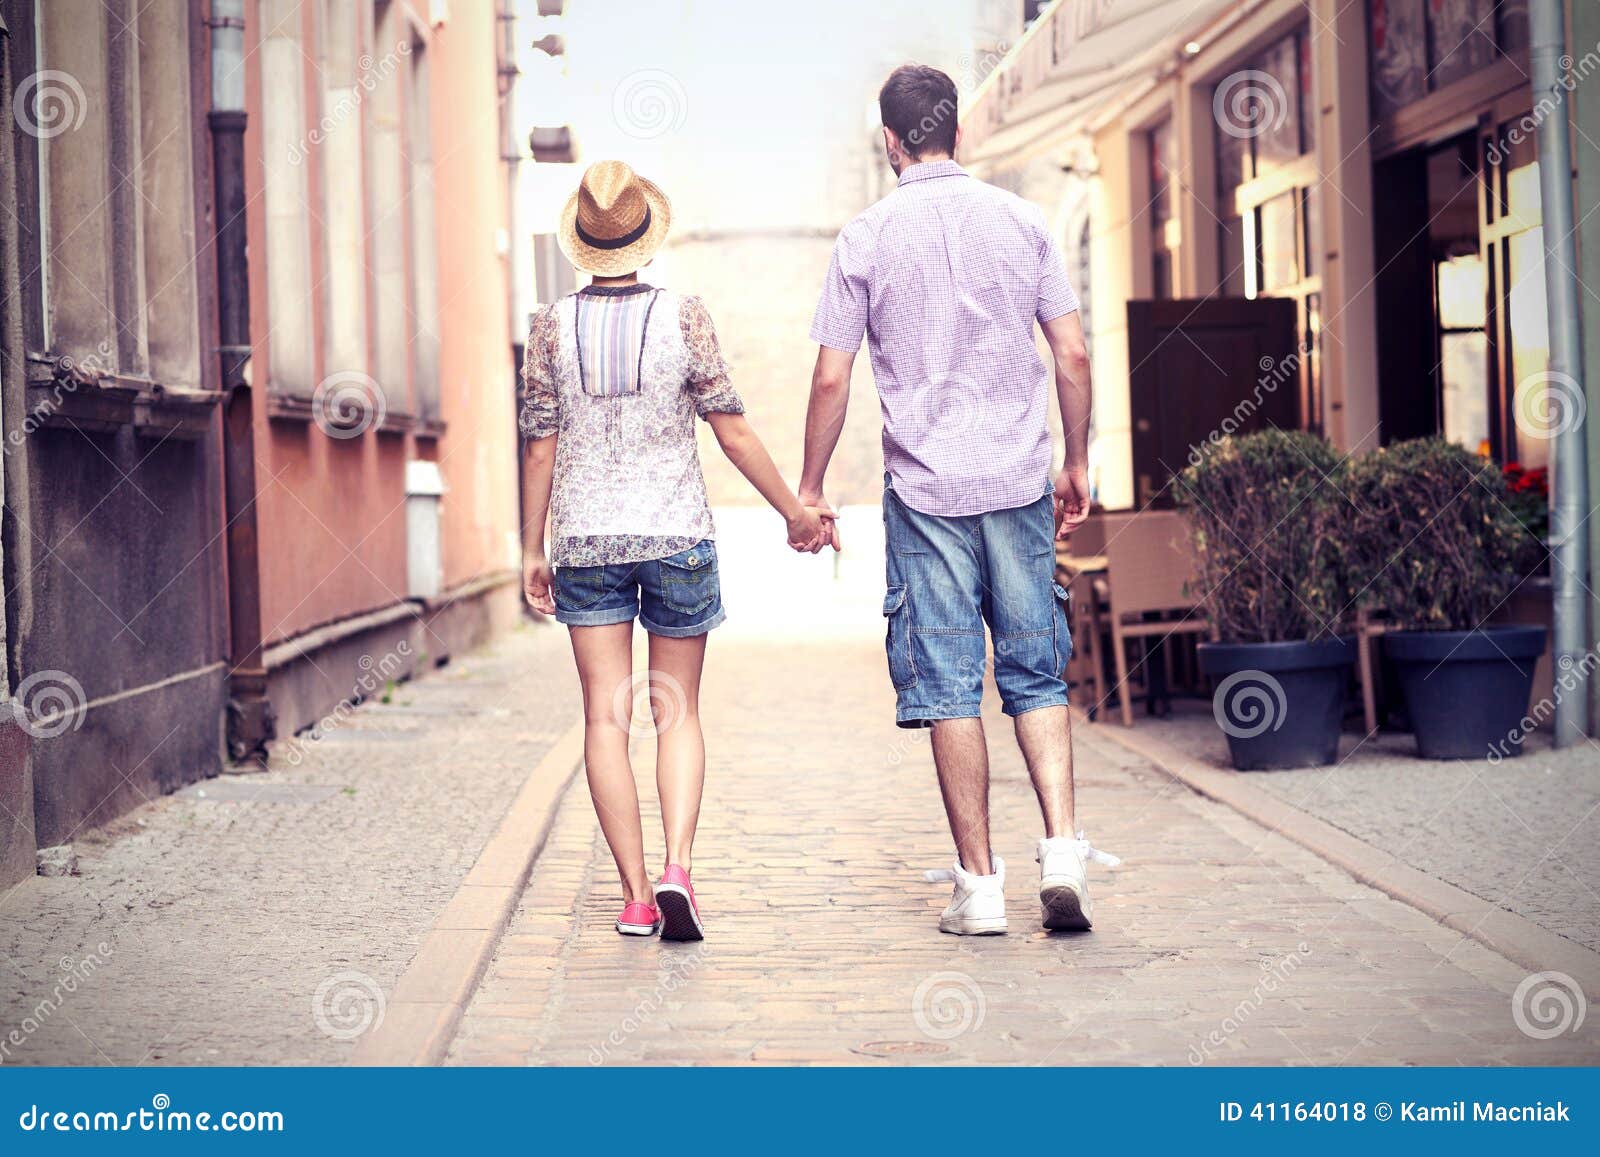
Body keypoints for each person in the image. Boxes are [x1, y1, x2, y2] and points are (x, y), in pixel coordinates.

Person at [797, 64, 1116, 935]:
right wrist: (1076, 461)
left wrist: (811, 488)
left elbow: (831, 378)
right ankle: (1062, 850)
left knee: (948, 686)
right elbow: (1073, 354)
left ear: (890, 141)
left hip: (927, 492)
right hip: (1018, 483)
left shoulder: (864, 238)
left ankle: (979, 888)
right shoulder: (1024, 221)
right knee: (1035, 670)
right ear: (957, 133)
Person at [520, 160, 836, 941]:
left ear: (582, 243)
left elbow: (539, 447)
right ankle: (678, 868)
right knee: (678, 710)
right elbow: (733, 432)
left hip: (586, 541)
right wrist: (795, 512)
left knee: (605, 716)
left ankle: (634, 897)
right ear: (646, 239)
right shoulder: (684, 317)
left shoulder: (549, 327)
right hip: (677, 539)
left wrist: (530, 547)